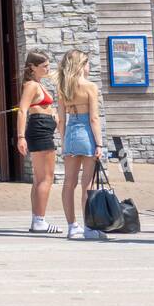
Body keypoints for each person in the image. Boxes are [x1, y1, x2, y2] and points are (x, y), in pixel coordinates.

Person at [56, 49, 107, 240]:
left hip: (70, 133)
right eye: (86, 63)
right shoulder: (90, 87)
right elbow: (94, 118)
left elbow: (61, 120)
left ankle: (71, 226)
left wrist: (63, 143)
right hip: (86, 134)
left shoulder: (62, 87)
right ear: (80, 65)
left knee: (69, 183)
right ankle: (89, 228)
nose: (89, 66)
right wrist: (99, 144)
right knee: (88, 183)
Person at [15, 50, 61, 234]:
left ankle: (37, 219)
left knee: (39, 178)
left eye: (48, 65)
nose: (47, 69)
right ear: (32, 67)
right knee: (46, 178)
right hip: (39, 130)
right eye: (44, 66)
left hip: (42, 128)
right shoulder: (31, 85)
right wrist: (20, 137)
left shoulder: (38, 84)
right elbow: (22, 111)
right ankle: (40, 220)